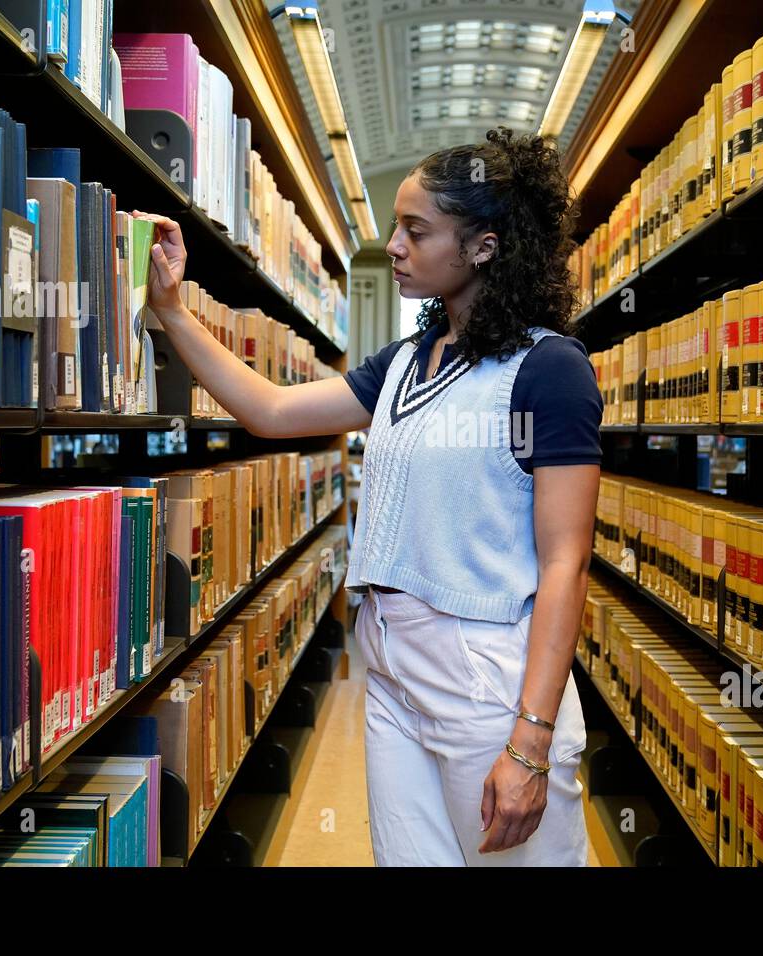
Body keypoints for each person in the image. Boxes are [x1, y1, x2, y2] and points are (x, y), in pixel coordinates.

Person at [136, 125, 604, 866]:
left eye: (416, 230)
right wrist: (173, 313)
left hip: (485, 676)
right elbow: (271, 411)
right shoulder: (406, 362)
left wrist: (533, 739)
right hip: (386, 660)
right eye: (395, 226)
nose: (393, 246)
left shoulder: (550, 371)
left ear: (483, 246)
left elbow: (565, 564)